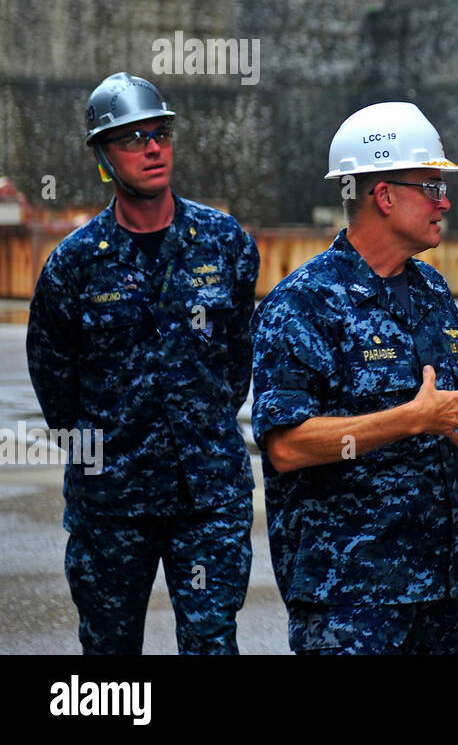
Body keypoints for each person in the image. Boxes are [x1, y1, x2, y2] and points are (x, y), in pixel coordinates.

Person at [251, 102, 458, 655]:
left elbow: (442, 414)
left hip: (440, 587)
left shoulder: (432, 292)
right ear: (384, 195)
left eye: (443, 187)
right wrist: (410, 420)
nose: (444, 202)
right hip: (350, 595)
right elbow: (287, 447)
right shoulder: (302, 304)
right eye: (430, 186)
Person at [26, 71, 259, 654]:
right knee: (109, 655)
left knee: (211, 642)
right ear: (104, 156)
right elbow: (55, 388)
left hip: (207, 497)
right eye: (133, 139)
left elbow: (236, 365)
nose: (152, 148)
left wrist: (199, 422)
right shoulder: (73, 266)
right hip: (112, 504)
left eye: (160, 134)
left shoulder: (224, 243)